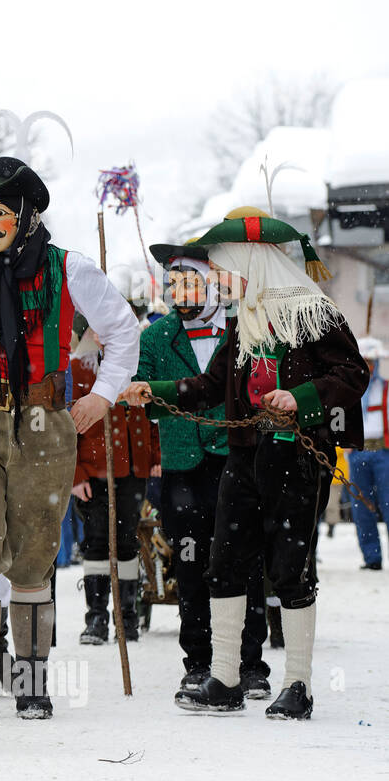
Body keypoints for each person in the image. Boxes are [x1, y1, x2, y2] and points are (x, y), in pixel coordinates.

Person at [122, 208, 369, 719]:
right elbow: (212, 386)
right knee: (225, 563)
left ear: (251, 266)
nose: (216, 281)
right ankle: (227, 679)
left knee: (289, 569)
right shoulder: (243, 322)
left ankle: (297, 685)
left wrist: (301, 396)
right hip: (245, 456)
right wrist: (156, 390)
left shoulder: (313, 313)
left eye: (222, 270)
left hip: (296, 456)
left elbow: (353, 373)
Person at [0, 157, 140, 721]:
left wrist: (104, 395)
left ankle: (32, 683)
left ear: (25, 214)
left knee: (35, 555)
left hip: (44, 423)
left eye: (0, 211)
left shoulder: (72, 269)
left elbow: (122, 330)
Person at [138, 238, 270, 695]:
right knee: (190, 562)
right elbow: (145, 399)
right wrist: (144, 394)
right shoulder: (155, 337)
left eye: (190, 282)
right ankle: (197, 659)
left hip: (235, 458)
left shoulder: (244, 329)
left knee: (243, 559)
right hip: (181, 466)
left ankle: (250, 663)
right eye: (173, 284)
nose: (180, 292)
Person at [72, 317, 160, 646]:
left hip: (133, 469)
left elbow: (152, 417)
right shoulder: (79, 369)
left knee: (126, 541)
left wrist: (155, 457)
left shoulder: (137, 368)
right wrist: (75, 475)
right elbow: (67, 428)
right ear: (94, 334)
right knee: (95, 542)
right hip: (93, 472)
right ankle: (96, 618)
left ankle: (127, 617)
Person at [348, 337, 388, 571]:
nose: (369, 366)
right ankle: (372, 557)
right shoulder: (350, 390)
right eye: (364, 361)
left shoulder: (386, 388)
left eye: (371, 361)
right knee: (361, 508)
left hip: (384, 452)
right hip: (358, 452)